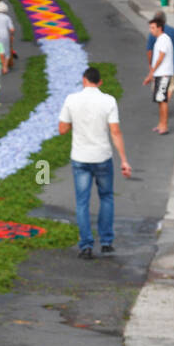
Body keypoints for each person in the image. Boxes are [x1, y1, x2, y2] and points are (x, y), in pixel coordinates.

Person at [58, 64, 132, 258]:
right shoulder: (108, 101)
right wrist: (124, 160)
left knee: (82, 202)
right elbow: (115, 132)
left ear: (83, 80)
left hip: (80, 158)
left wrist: (76, 119)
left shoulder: (71, 100)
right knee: (106, 197)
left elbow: (62, 129)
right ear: (100, 82)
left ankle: (86, 245)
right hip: (102, 157)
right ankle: (106, 242)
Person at [146, 9, 174, 101]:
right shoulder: (173, 31)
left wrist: (150, 64)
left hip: (158, 68)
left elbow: (149, 51)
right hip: (172, 66)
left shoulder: (153, 34)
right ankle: (166, 98)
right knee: (170, 86)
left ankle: (164, 102)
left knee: (159, 89)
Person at [143, 17, 174, 134]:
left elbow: (160, 58)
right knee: (160, 100)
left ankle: (164, 126)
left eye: (153, 28)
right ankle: (161, 124)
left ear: (159, 28)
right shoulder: (160, 40)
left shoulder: (163, 39)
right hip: (160, 74)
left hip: (164, 74)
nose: (151, 30)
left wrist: (151, 73)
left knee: (163, 100)